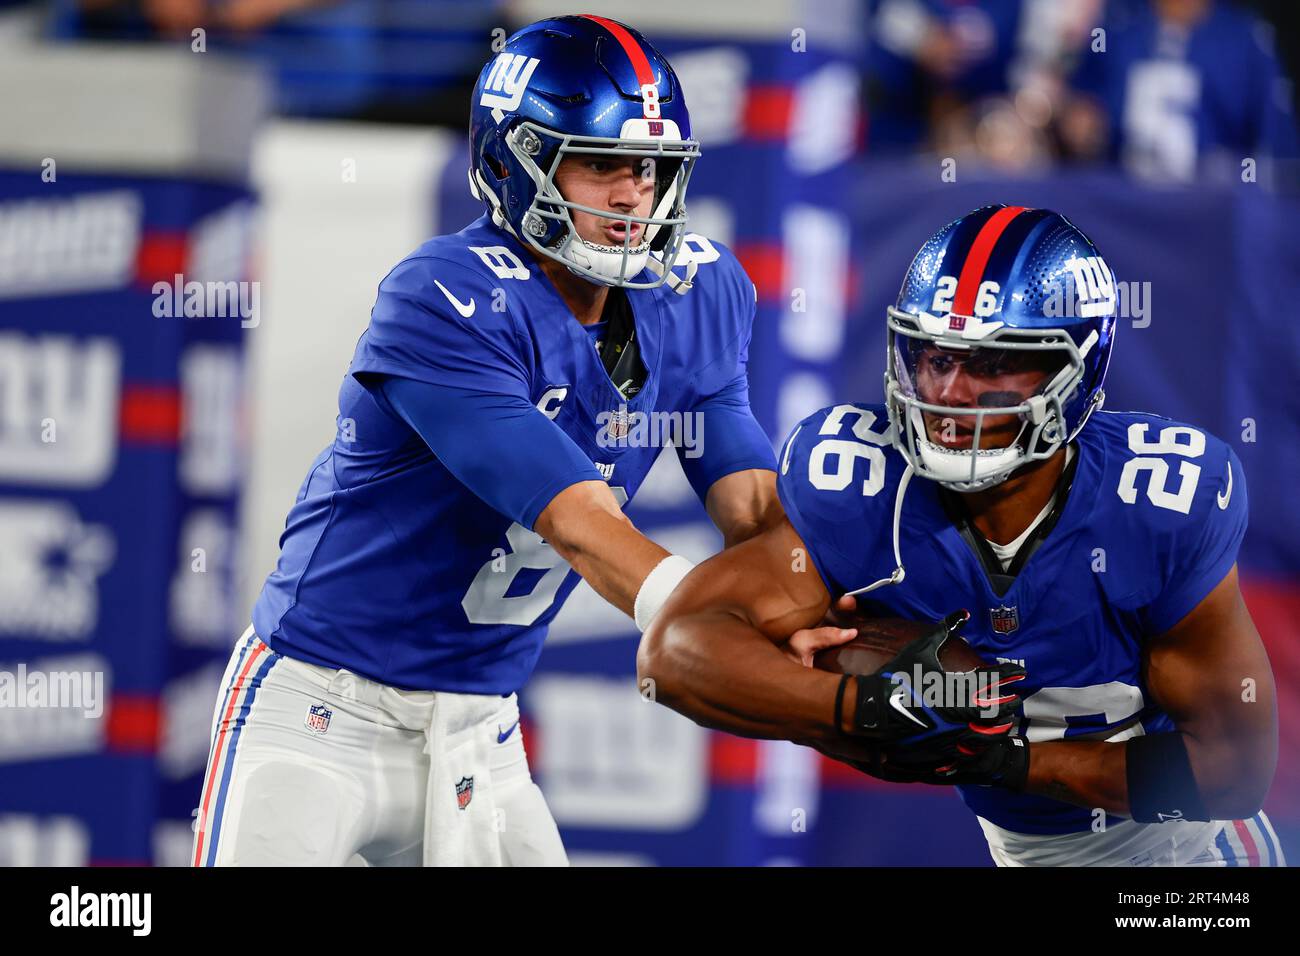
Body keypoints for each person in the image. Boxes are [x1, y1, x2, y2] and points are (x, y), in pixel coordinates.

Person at [192, 14, 839, 867]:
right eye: (601, 163)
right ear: (514, 159)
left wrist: (827, 617)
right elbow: (579, 519)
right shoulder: (444, 296)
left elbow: (752, 507)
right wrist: (706, 620)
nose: (631, 194)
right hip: (318, 707)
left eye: (648, 169)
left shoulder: (699, 291)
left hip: (477, 727)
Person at [640, 204, 1285, 866]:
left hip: (1185, 855)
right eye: (934, 356)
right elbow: (677, 653)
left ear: (1076, 374)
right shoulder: (860, 484)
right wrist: (859, 706)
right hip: (1019, 851)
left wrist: (1006, 758)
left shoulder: (1156, 504)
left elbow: (1229, 774)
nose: (950, 393)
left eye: (993, 364)